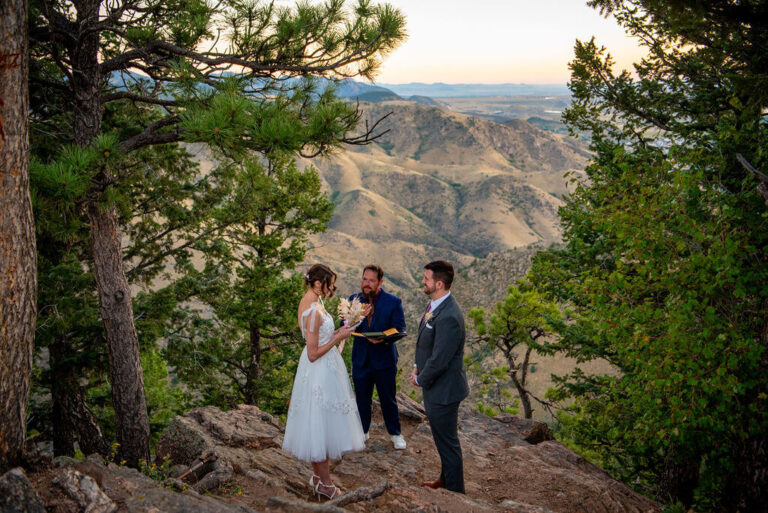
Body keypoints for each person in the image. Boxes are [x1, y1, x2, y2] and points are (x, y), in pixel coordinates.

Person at [282, 263, 365, 500]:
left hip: (323, 369)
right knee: (319, 424)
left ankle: (319, 478)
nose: (332, 288)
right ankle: (326, 484)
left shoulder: (313, 302)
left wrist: (339, 332)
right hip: (318, 371)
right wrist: (339, 336)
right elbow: (312, 352)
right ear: (318, 283)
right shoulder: (314, 310)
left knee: (321, 423)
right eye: (329, 284)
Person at [410, 260, 469, 493]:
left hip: (444, 390)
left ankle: (456, 494)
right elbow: (425, 344)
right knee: (442, 440)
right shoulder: (434, 305)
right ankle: (444, 481)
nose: (423, 281)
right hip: (435, 386)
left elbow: (440, 359)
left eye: (427, 279)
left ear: (440, 283)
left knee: (448, 443)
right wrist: (416, 365)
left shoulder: (450, 317)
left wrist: (420, 379)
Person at [349, 264, 408, 450]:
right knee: (361, 398)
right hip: (361, 358)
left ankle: (395, 434)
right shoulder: (353, 300)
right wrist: (356, 318)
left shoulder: (393, 302)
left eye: (371, 280)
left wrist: (383, 339)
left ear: (380, 282)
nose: (366, 284)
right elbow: (346, 326)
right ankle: (362, 431)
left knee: (388, 398)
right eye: (364, 279)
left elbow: (400, 328)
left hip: (384, 358)